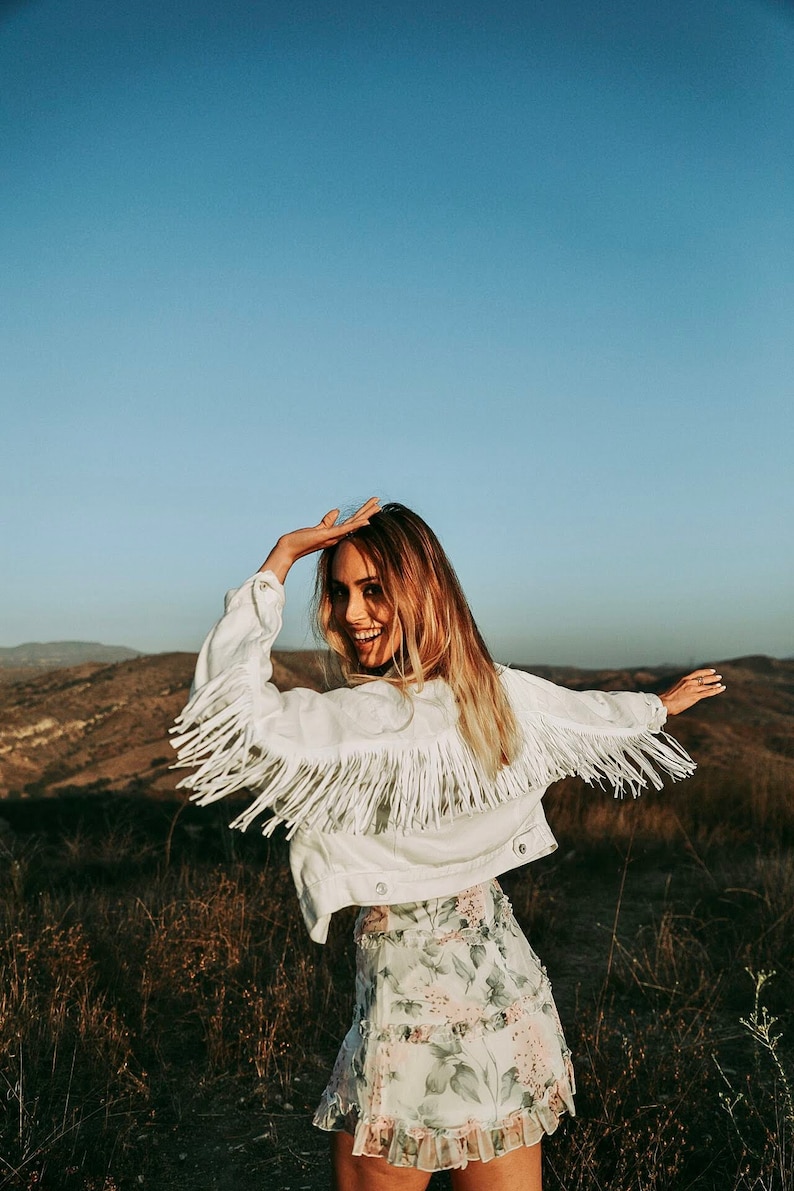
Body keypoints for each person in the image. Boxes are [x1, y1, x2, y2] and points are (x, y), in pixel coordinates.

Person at [171, 499, 725, 1191]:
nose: (351, 612)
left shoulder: (362, 721)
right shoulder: (503, 698)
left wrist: (278, 563)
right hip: (504, 990)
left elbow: (225, 714)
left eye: (374, 590)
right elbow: (593, 717)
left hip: (408, 1010)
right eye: (340, 592)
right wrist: (660, 705)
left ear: (421, 592)